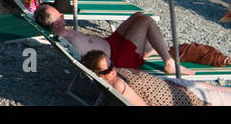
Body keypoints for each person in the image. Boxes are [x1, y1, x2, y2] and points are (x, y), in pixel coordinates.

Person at [34, 3, 176, 73]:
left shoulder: (66, 33)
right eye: (60, 16)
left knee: (138, 16)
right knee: (146, 21)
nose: (63, 15)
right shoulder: (70, 41)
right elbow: (91, 62)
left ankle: (146, 52)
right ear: (56, 24)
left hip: (111, 42)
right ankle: (168, 62)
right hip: (118, 57)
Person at [82, 50, 231, 106]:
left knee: (210, 86)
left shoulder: (114, 75)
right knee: (222, 96)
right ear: (98, 74)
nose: (113, 70)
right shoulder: (118, 85)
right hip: (191, 99)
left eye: (112, 64)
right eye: (108, 69)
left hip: (177, 85)